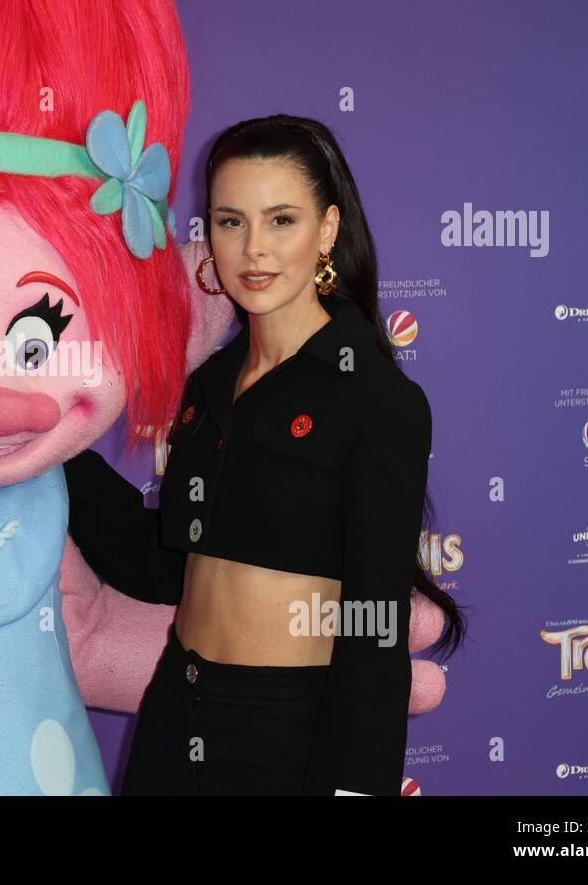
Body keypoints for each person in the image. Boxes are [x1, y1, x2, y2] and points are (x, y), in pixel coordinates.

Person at [64, 115, 467, 795]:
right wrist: (50, 451)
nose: (254, 249)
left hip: (285, 730)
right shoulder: (212, 387)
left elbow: (373, 622)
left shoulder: (377, 399)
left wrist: (354, 789)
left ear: (329, 230)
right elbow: (171, 569)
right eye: (230, 221)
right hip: (176, 704)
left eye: (281, 220)